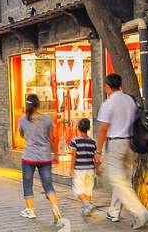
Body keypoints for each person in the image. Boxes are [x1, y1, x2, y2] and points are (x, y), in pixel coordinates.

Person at [94, 73, 148, 228]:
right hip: (130, 143)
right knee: (122, 180)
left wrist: (98, 152)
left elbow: (103, 129)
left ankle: (140, 212)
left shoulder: (108, 104)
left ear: (107, 87)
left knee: (117, 180)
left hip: (116, 144)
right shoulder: (130, 100)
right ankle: (114, 212)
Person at [18, 93, 62, 224]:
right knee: (48, 184)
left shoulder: (23, 120)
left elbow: (21, 135)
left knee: (28, 183)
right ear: (39, 105)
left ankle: (30, 210)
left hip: (29, 157)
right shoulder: (47, 119)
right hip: (45, 156)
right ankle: (55, 208)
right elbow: (52, 138)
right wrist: (56, 154)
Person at [69, 118, 98, 217]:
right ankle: (87, 210)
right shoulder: (93, 142)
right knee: (88, 189)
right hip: (90, 169)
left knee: (78, 190)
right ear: (89, 128)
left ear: (78, 128)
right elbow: (95, 158)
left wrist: (71, 168)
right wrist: (97, 169)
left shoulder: (75, 141)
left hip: (79, 169)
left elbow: (74, 156)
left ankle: (87, 205)